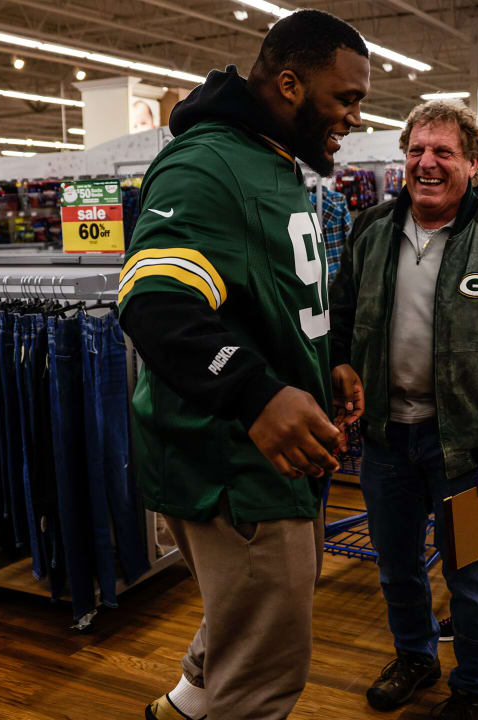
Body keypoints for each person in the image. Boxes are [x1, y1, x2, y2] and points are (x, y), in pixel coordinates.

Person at [117, 11, 370, 720]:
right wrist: (256, 393)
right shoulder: (207, 163)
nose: (355, 116)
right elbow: (155, 299)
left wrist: (327, 370)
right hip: (232, 466)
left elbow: (257, 299)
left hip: (271, 465)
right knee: (262, 682)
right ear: (289, 84)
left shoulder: (270, 158)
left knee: (247, 629)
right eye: (345, 98)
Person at [330, 99, 478, 720]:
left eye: (443, 152)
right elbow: (344, 316)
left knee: (473, 577)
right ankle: (415, 657)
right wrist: (339, 365)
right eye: (416, 151)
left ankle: (477, 691)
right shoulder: (370, 230)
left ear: (476, 166)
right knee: (397, 565)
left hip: (470, 443)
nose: (426, 163)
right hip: (385, 437)